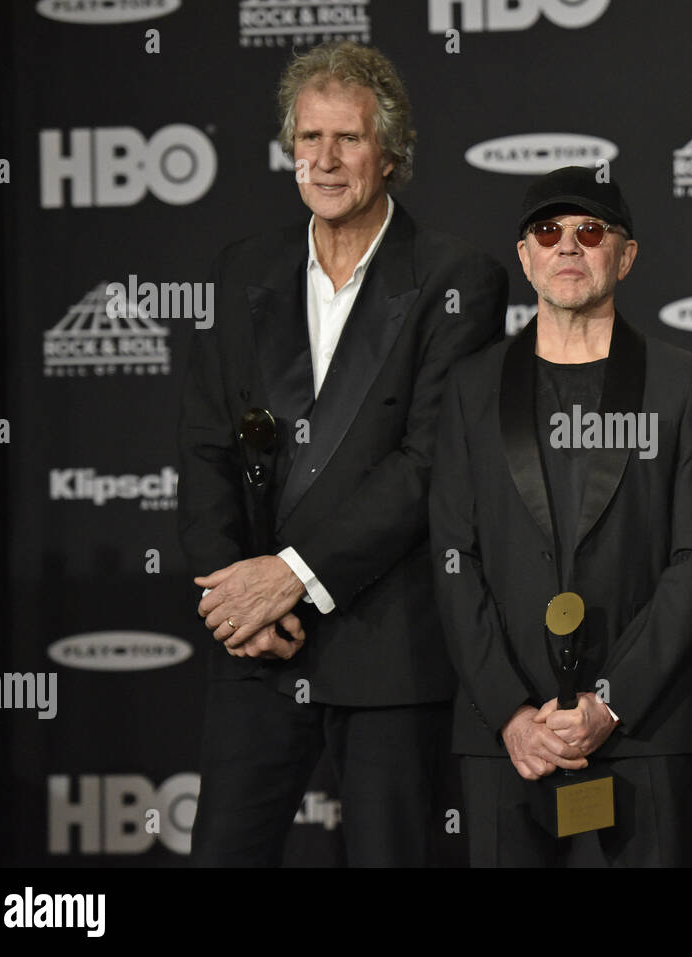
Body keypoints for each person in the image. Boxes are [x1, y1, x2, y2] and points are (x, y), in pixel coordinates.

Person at [178, 41, 507, 866]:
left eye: (348, 140)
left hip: (388, 648)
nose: (325, 161)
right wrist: (234, 596)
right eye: (309, 139)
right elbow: (207, 446)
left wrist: (288, 575)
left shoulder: (454, 279)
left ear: (390, 154)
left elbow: (427, 463)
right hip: (257, 644)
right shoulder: (240, 272)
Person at [429, 166, 692, 866]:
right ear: (525, 256)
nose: (568, 246)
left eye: (590, 231)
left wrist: (610, 699)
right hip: (510, 735)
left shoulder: (681, 382)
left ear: (624, 255)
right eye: (548, 232)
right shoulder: (472, 388)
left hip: (643, 725)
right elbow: (453, 556)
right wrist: (509, 709)